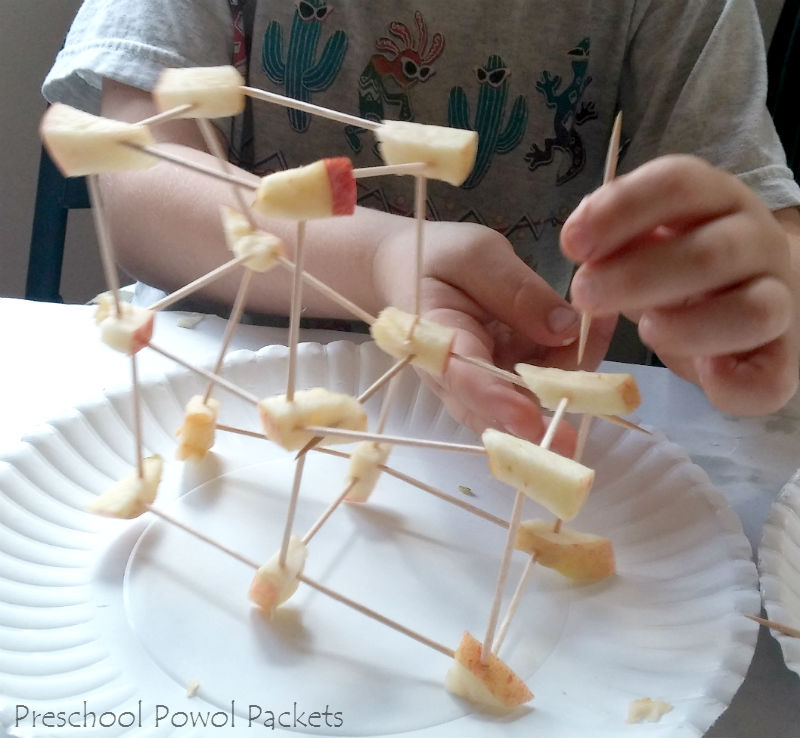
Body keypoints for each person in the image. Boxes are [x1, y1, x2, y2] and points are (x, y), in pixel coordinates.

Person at [42, 0, 800, 451]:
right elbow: (135, 175)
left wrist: (755, 303)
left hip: (496, 424)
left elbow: (764, 231)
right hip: (209, 406)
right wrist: (381, 257)